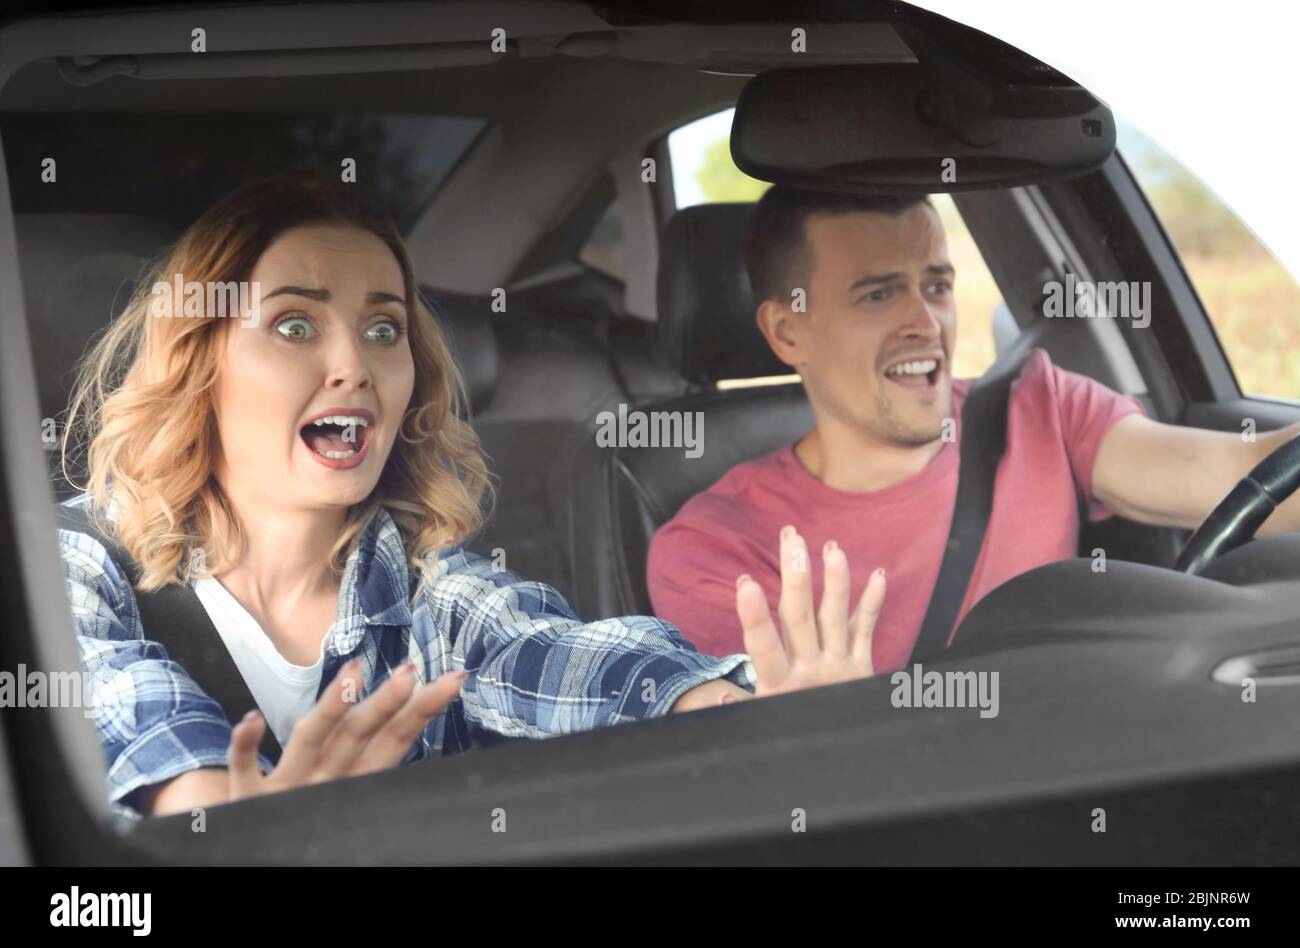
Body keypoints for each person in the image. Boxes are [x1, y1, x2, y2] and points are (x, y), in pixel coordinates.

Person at [57, 174, 876, 822]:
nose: (355, 365)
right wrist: (224, 820)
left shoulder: (432, 594)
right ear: (202, 364)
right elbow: (121, 699)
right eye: (296, 326)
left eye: (385, 330)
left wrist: (742, 711)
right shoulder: (76, 560)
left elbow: (565, 660)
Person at [647, 186, 1300, 662]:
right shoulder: (713, 549)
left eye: (935, 286)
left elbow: (1238, 478)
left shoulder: (1037, 407)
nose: (926, 324)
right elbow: (790, 768)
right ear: (788, 331)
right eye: (877, 294)